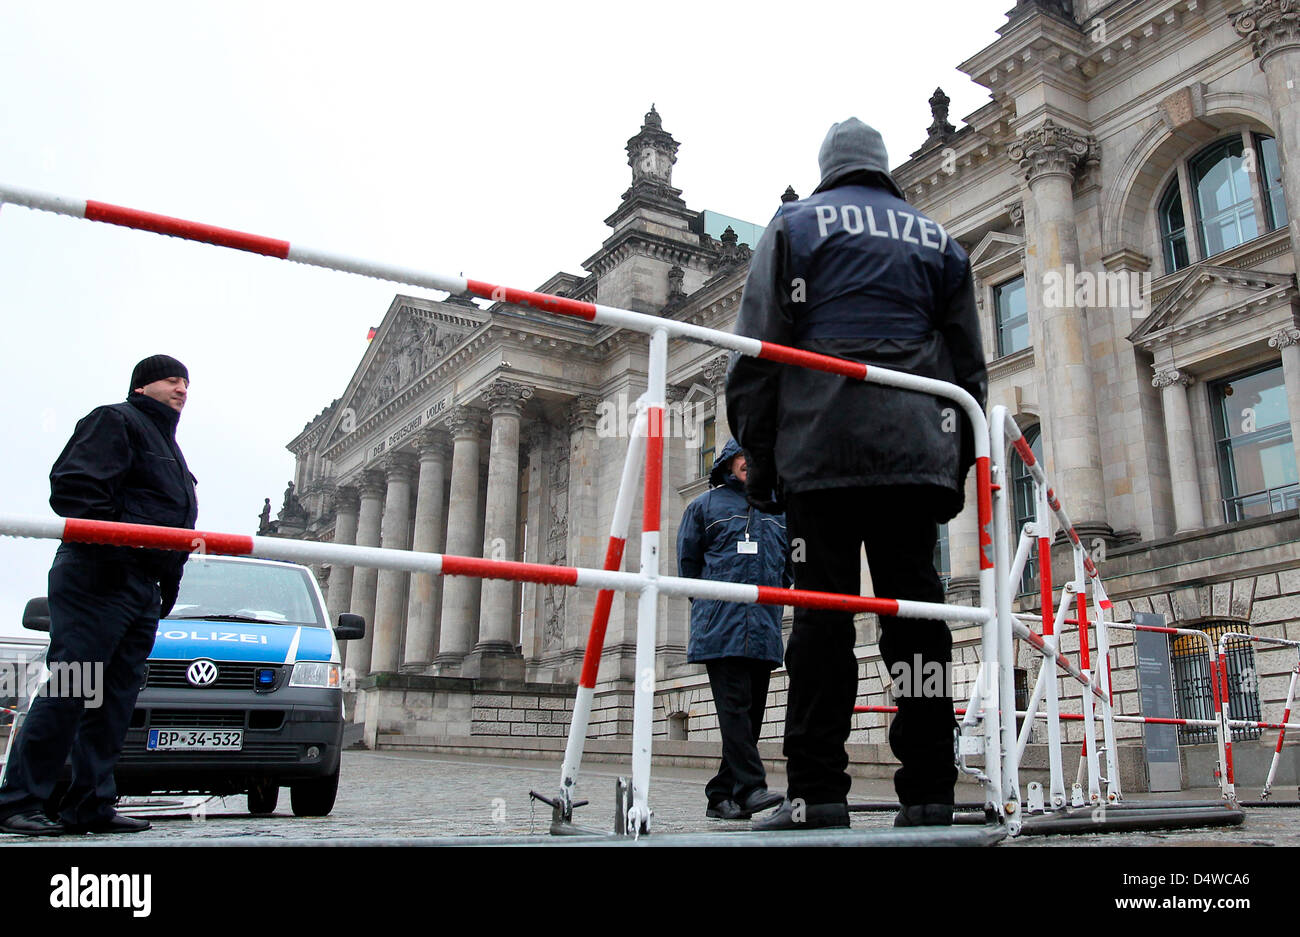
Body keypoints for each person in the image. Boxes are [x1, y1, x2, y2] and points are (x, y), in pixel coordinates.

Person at [727, 118, 987, 831]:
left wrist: (761, 463)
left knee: (820, 627)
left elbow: (755, 352)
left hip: (822, 459)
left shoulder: (794, 225)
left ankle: (818, 793)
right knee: (917, 627)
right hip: (913, 462)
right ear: (884, 169)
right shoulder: (939, 240)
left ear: (827, 168)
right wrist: (954, 464)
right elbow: (970, 370)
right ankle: (932, 789)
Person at [0, 355, 198, 835]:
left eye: (186, 383)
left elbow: (171, 523)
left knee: (115, 700)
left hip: (139, 587)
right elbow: (76, 489)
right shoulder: (114, 420)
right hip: (98, 578)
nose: (182, 389)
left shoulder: (169, 447)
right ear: (143, 385)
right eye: (172, 380)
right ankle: (18, 801)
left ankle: (90, 802)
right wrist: (118, 557)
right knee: (73, 687)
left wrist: (163, 583)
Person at [677, 437, 791, 820]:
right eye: (744, 456)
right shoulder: (702, 507)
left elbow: (788, 567)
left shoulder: (778, 508)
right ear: (728, 462)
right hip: (720, 628)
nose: (750, 463)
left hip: (763, 627)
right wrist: (712, 606)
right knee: (735, 711)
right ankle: (753, 787)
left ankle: (721, 795)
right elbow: (689, 568)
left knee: (751, 718)